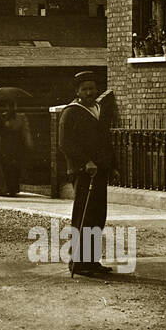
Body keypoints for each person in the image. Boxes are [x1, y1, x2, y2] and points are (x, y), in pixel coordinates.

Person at [59, 71, 116, 276]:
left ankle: (92, 261)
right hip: (83, 172)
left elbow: (105, 141)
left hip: (100, 170)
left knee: (98, 215)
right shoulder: (71, 112)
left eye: (92, 88)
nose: (89, 92)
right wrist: (86, 162)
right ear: (77, 91)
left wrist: (112, 164)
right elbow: (65, 143)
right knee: (84, 215)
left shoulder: (99, 109)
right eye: (85, 89)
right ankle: (78, 263)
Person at [0, 101, 33, 197]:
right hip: (5, 145)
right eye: (9, 106)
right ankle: (7, 188)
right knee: (6, 167)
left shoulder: (21, 117)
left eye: (13, 106)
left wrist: (28, 143)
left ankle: (13, 189)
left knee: (15, 167)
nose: (11, 108)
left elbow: (25, 131)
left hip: (16, 145)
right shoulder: (2, 117)